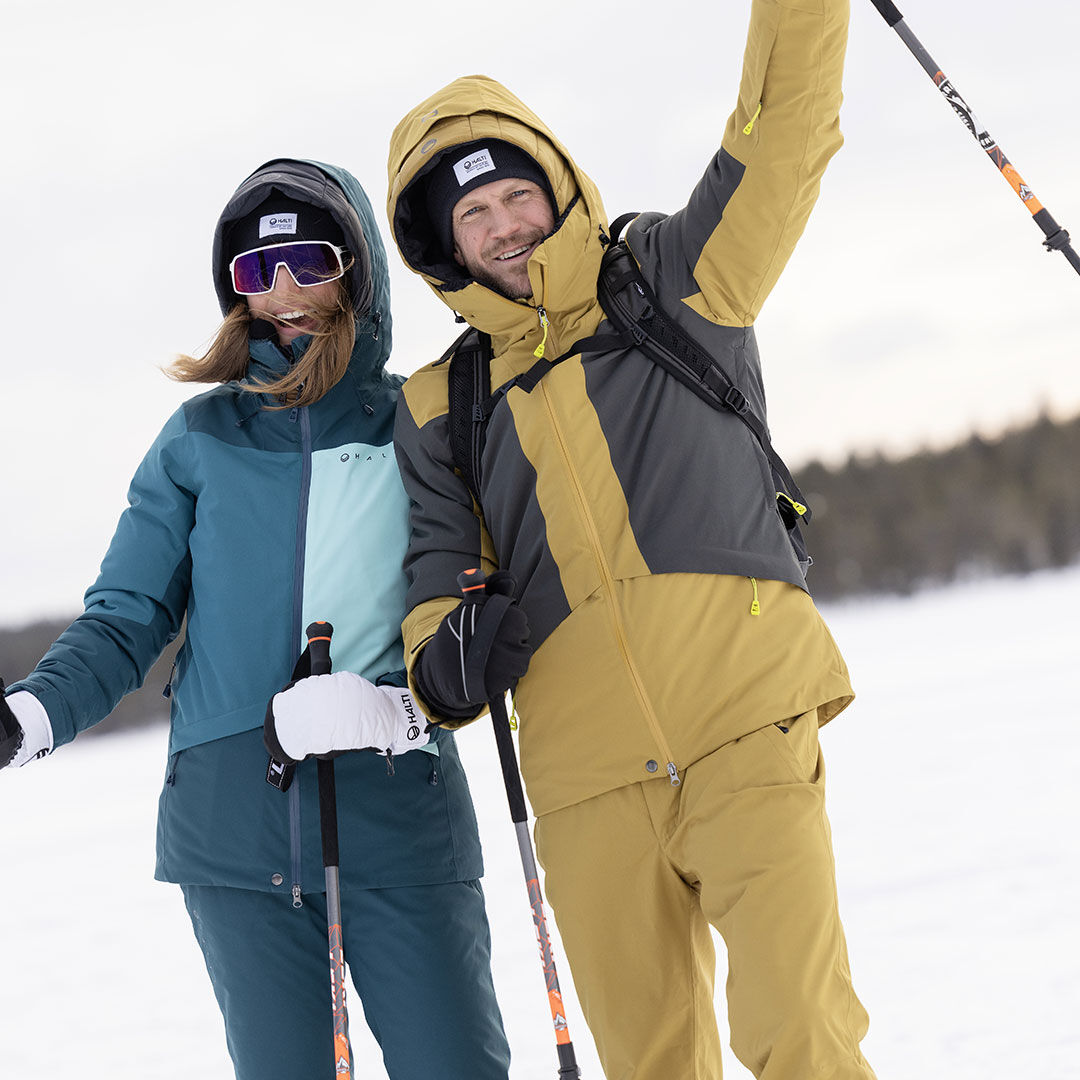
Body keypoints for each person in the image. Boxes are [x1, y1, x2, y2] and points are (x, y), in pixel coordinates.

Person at [369, 1, 879, 1078]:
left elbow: (783, 131)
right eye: (475, 215)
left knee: (801, 1032)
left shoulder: (677, 281)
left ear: (558, 185)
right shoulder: (440, 406)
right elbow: (434, 574)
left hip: (744, 720)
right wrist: (442, 659)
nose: (505, 225)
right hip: (585, 780)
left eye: (518, 193)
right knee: (652, 1064)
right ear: (443, 246)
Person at [0, 158, 511, 1080]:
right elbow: (125, 619)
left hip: (401, 814)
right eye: (255, 271)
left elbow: (474, 606)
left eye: (309, 262)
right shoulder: (199, 439)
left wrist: (402, 709)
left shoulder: (419, 420)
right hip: (233, 833)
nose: (284, 293)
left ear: (356, 271)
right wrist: (28, 715)